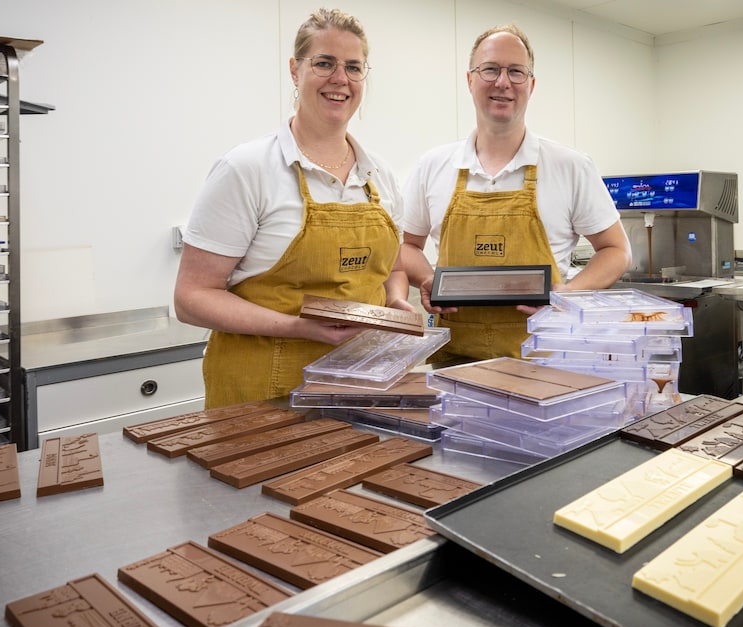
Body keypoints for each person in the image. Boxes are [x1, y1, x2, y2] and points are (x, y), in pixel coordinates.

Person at [174, 8, 410, 407]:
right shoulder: (247, 169)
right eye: (324, 63)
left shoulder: (380, 175)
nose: (340, 78)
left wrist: (396, 303)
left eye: (353, 67)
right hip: (261, 396)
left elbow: (394, 270)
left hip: (361, 388)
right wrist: (298, 327)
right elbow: (191, 297)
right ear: (294, 70)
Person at [395, 24, 631, 361]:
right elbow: (405, 245)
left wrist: (566, 293)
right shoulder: (433, 166)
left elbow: (616, 250)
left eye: (516, 72)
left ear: (531, 85)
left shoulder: (570, 166)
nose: (503, 82)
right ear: (470, 80)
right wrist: (429, 279)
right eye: (490, 69)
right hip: (453, 365)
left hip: (545, 361)